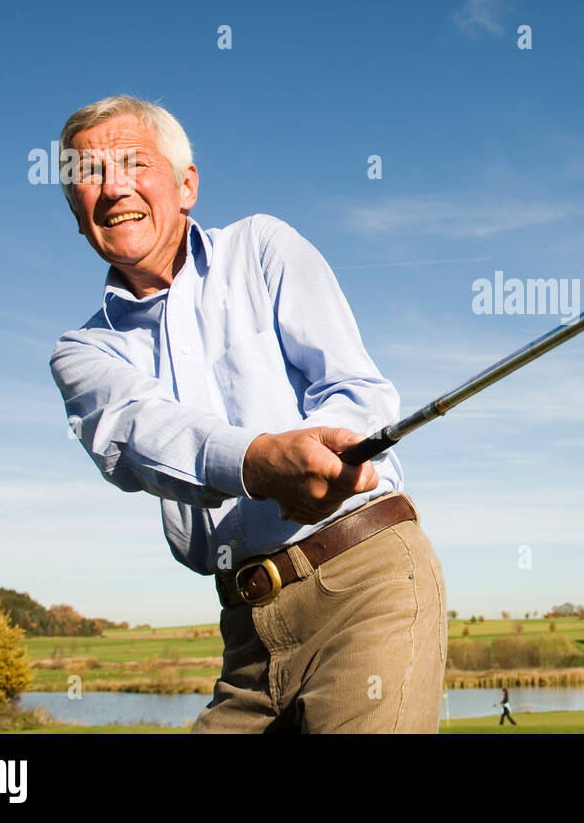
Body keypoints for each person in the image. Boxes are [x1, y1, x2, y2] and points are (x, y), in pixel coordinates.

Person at [49, 96, 447, 733]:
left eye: (132, 162)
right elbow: (140, 431)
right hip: (245, 633)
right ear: (75, 214)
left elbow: (357, 389)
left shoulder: (263, 246)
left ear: (187, 185)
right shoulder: (82, 351)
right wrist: (265, 461)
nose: (113, 186)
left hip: (365, 582)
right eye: (89, 174)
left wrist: (333, 453)